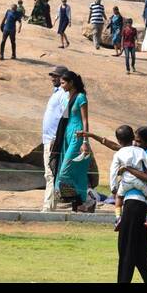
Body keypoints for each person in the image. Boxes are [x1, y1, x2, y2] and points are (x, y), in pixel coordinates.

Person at [104, 123, 147, 283]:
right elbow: (120, 146)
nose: (135, 143)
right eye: (134, 140)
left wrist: (127, 170)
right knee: (140, 255)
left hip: (134, 206)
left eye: (138, 141)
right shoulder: (136, 152)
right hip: (137, 207)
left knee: (125, 249)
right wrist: (93, 136)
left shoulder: (146, 153)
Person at [54, 71, 92, 210]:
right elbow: (64, 119)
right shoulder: (65, 98)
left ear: (71, 83)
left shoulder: (81, 97)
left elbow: (85, 120)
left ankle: (83, 198)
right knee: (67, 170)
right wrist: (57, 138)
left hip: (78, 135)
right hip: (66, 135)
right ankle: (80, 202)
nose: (61, 85)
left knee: (65, 171)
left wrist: (85, 141)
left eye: (63, 83)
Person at [40, 66, 69, 211]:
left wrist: (56, 139)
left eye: (56, 76)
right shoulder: (57, 93)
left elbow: (65, 116)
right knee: (50, 174)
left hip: (53, 140)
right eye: (52, 75)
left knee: (51, 174)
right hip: (49, 139)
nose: (53, 78)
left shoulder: (63, 94)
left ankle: (48, 209)